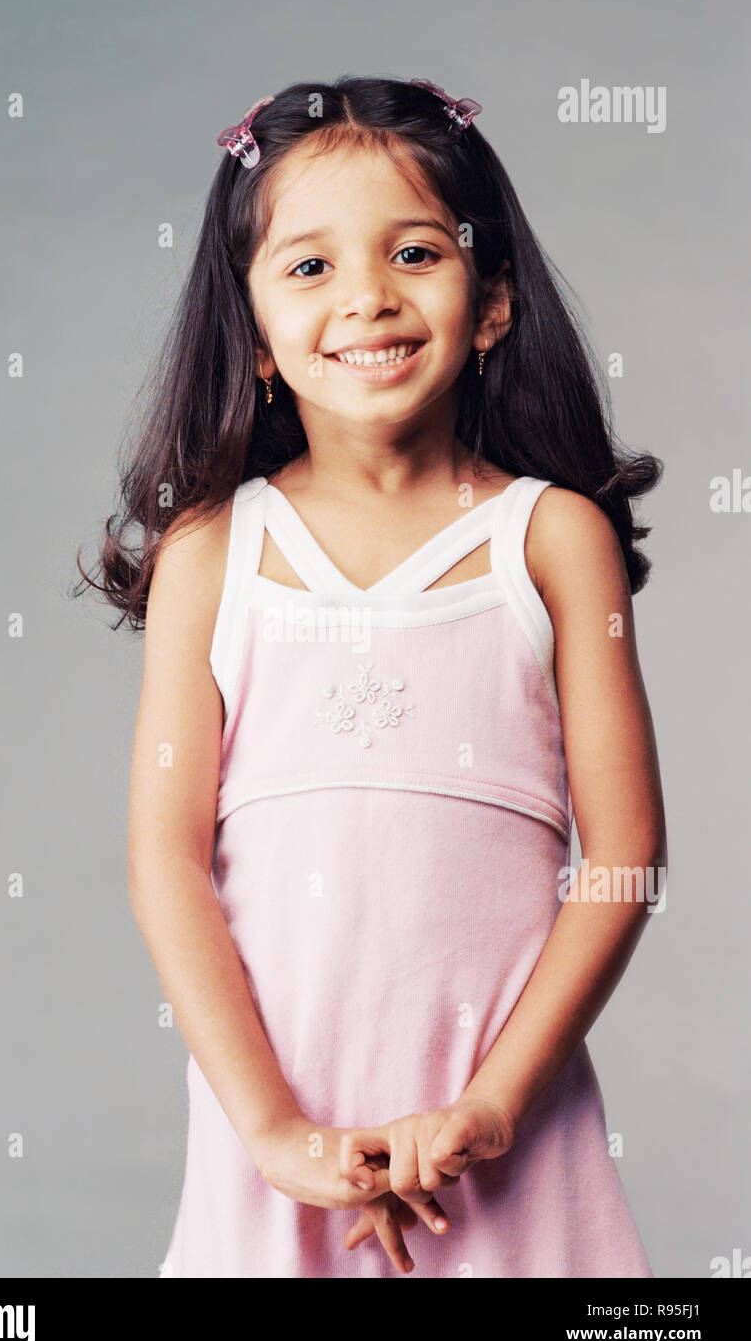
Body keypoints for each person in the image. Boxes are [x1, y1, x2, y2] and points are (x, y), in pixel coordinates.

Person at [78, 75, 666, 1277]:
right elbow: (165, 861)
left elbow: (620, 861)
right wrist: (276, 1130)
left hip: (504, 1141)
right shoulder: (214, 551)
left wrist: (493, 1108)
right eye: (309, 267)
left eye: (412, 252)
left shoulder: (550, 541)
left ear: (490, 301)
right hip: (277, 1145)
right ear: (251, 336)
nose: (367, 299)